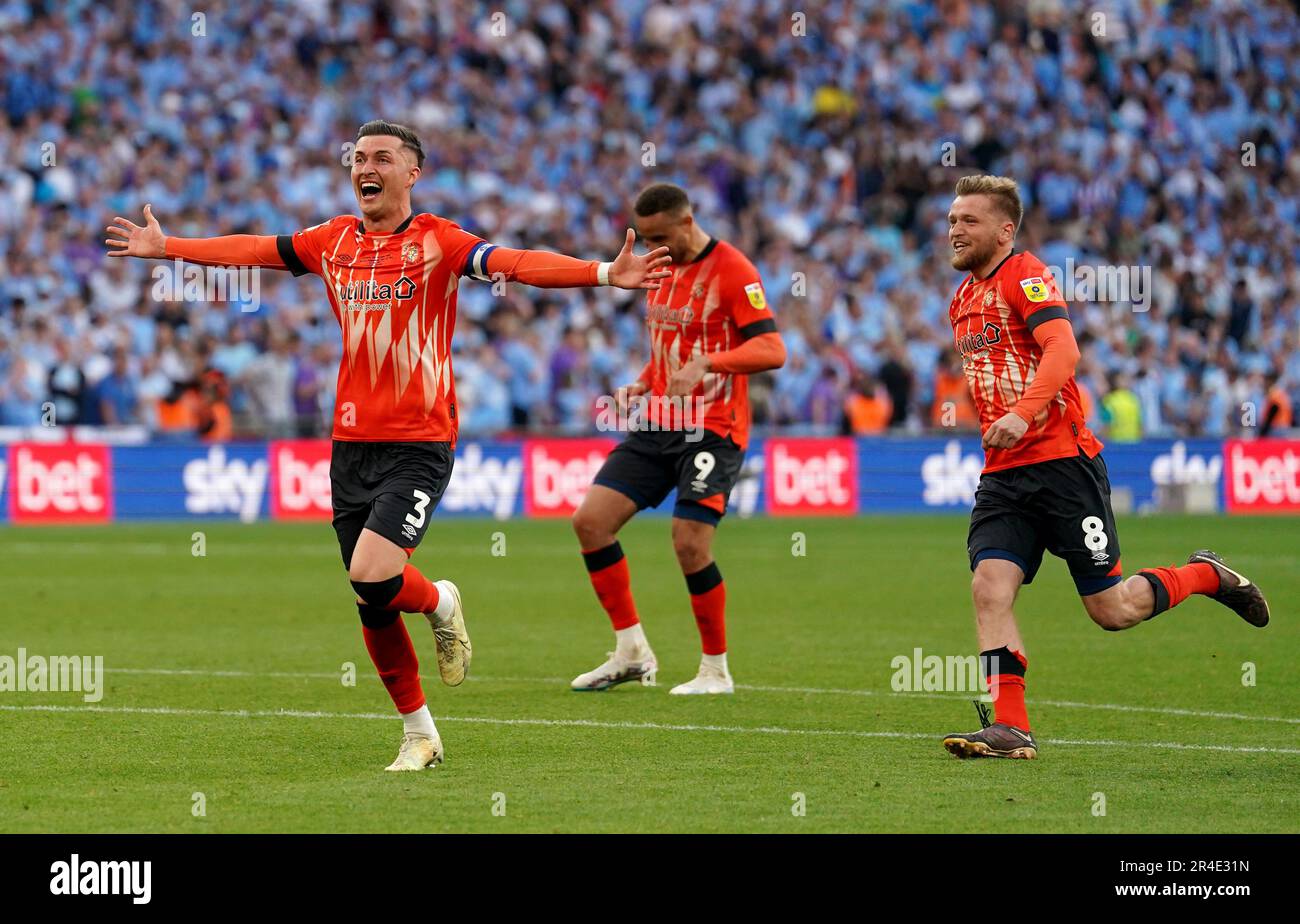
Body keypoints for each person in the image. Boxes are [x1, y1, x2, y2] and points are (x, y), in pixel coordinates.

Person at [106, 120, 671, 770]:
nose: (364, 167)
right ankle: (419, 734)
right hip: (351, 446)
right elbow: (255, 249)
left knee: (373, 573)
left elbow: (515, 264)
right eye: (358, 158)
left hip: (419, 442)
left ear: (412, 172)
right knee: (370, 601)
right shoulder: (333, 240)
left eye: (381, 157)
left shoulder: (439, 241)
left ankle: (440, 600)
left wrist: (603, 272)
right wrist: (169, 245)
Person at [939, 175, 1269, 760]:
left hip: (1064, 466)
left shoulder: (1027, 275)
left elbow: (1064, 351)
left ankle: (1205, 576)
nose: (954, 229)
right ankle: (1011, 726)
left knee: (1111, 611)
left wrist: (1023, 411)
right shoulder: (962, 299)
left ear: (1004, 229)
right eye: (952, 219)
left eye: (968, 220)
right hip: (1003, 476)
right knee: (989, 588)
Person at [569, 183, 786, 695]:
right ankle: (630, 651)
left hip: (713, 428)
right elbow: (671, 343)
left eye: (660, 237)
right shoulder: (658, 270)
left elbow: (773, 350)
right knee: (590, 522)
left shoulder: (734, 271)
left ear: (688, 223)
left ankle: (715, 670)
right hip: (660, 420)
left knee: (689, 543)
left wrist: (712, 362)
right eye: (644, 239)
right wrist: (642, 384)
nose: (652, 249)